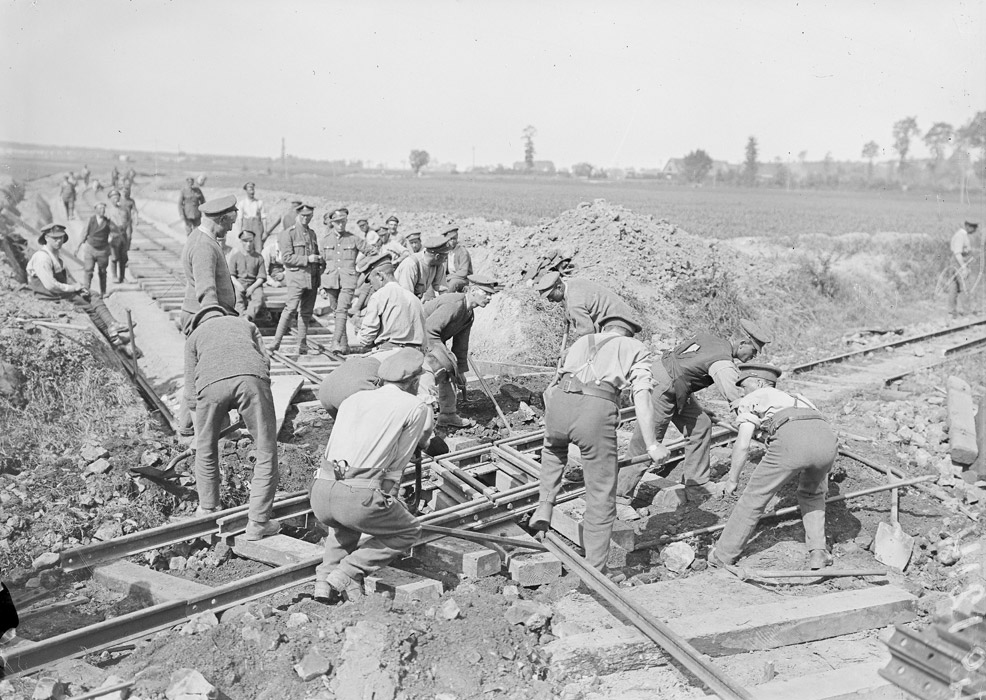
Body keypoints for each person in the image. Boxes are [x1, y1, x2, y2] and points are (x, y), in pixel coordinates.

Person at [529, 318, 666, 570]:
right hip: (595, 409)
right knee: (601, 492)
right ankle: (595, 568)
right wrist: (652, 445)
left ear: (604, 329)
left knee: (554, 450)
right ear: (630, 333)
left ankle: (544, 506)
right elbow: (643, 397)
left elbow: (559, 377)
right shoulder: (635, 348)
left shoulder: (583, 340)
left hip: (560, 402)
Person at [310, 348, 434, 602]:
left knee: (344, 526)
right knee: (408, 530)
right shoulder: (415, 406)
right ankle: (348, 571)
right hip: (358, 498)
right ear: (413, 381)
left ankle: (324, 581)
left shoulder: (353, 400)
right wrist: (391, 499)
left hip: (321, 491)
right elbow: (398, 464)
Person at [616, 320, 771, 503]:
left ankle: (697, 484)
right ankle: (619, 497)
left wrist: (695, 406)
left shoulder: (708, 339)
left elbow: (684, 367)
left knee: (701, 424)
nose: (754, 356)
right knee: (646, 443)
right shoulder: (723, 362)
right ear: (743, 342)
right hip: (662, 388)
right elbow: (737, 400)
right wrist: (757, 427)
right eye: (753, 350)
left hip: (672, 384)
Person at [709, 363, 836, 570]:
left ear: (759, 383)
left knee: (754, 498)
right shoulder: (798, 397)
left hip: (792, 441)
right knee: (813, 494)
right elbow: (808, 424)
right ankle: (819, 552)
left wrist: (732, 479)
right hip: (826, 439)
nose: (743, 392)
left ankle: (722, 556)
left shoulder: (753, 398)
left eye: (745, 387)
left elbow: (742, 445)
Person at [180, 305, 280, 541]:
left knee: (206, 449)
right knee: (266, 449)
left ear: (197, 322)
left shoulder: (193, 337)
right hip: (251, 381)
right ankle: (258, 523)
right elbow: (265, 363)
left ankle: (207, 510)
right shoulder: (246, 324)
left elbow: (191, 394)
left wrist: (195, 431)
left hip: (210, 388)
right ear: (224, 313)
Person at [27, 224, 130, 345]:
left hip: (58, 290)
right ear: (46, 238)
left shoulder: (55, 254)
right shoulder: (42, 258)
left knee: (92, 294)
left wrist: (79, 287)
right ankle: (112, 338)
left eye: (61, 238)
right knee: (86, 305)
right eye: (55, 238)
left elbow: (65, 277)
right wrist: (73, 288)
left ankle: (112, 325)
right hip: (48, 294)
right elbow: (51, 285)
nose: (59, 241)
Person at [424, 275, 501, 427]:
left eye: (491, 294)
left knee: (451, 369)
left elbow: (460, 346)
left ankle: (448, 415)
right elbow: (428, 331)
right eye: (487, 293)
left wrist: (460, 371)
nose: (490, 298)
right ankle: (423, 420)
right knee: (438, 370)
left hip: (431, 340)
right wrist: (448, 362)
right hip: (416, 339)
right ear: (473, 291)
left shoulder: (469, 314)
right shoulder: (454, 304)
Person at [180, 195, 239, 333]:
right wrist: (215, 328)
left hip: (208, 315)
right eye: (231, 223)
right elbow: (207, 292)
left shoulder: (203, 239)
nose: (230, 229)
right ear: (222, 219)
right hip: (205, 318)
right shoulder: (203, 246)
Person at [269, 204, 322, 355]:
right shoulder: (289, 233)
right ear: (298, 215)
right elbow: (286, 258)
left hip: (311, 279)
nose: (306, 219)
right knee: (290, 309)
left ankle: (302, 345)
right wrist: (308, 259)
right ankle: (276, 342)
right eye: (303, 216)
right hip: (297, 278)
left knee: (305, 313)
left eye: (309, 216)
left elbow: (315, 254)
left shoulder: (312, 234)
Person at [354, 253, 428, 352]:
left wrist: (359, 333)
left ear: (380, 276)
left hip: (390, 352)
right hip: (416, 353)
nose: (371, 286)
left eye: (371, 281)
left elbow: (366, 339)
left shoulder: (378, 296)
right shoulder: (413, 298)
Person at [535, 272, 641, 340]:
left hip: (615, 327)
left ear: (559, 287)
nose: (549, 300)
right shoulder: (575, 283)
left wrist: (572, 351)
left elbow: (588, 334)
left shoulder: (574, 304)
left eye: (550, 295)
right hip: (625, 321)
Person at [320, 207, 369, 352]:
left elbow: (372, 252)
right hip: (330, 281)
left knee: (341, 310)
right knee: (336, 312)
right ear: (332, 223)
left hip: (348, 280)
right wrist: (321, 286)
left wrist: (362, 267)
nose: (341, 224)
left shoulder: (353, 239)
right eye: (337, 222)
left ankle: (335, 342)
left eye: (343, 221)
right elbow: (321, 264)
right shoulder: (324, 241)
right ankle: (344, 345)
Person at [395, 230, 452, 299]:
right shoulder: (411, 264)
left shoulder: (438, 265)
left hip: (414, 299)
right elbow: (406, 296)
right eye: (445, 257)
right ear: (437, 256)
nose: (446, 260)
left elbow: (442, 289)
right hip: (398, 300)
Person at [228, 230, 268, 323]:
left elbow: (261, 277)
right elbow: (231, 275)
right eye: (245, 241)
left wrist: (252, 288)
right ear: (241, 242)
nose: (248, 244)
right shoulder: (235, 257)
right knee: (236, 297)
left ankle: (248, 317)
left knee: (258, 298)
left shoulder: (258, 257)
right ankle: (241, 317)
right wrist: (238, 285)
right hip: (240, 283)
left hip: (254, 284)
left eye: (250, 241)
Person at [76, 202, 113, 296]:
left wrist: (111, 243)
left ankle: (103, 292)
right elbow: (84, 233)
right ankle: (86, 290)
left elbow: (114, 234)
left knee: (103, 271)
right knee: (88, 270)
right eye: (100, 208)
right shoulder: (90, 220)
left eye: (104, 208)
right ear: (95, 209)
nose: (102, 210)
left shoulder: (108, 222)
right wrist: (78, 246)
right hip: (90, 249)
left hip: (103, 250)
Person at [948, 221, 979, 317]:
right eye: (974, 227)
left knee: (954, 287)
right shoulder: (960, 236)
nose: (975, 230)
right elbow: (958, 253)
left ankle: (952, 311)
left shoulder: (962, 235)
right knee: (964, 287)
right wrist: (964, 267)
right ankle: (967, 312)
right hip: (959, 263)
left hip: (955, 263)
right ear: (968, 226)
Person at [106, 189, 132, 284]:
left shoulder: (124, 209)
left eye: (117, 197)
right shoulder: (107, 211)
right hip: (113, 236)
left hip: (123, 236)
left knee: (123, 257)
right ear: (110, 199)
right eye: (113, 198)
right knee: (114, 257)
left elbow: (129, 222)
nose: (115, 199)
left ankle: (122, 277)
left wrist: (128, 235)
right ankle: (114, 276)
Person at [235, 181, 268, 253]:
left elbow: (264, 218)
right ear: (246, 191)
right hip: (247, 227)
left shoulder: (259, 203)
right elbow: (240, 219)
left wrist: (265, 231)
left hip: (257, 227)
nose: (252, 192)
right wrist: (240, 232)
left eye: (253, 189)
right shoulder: (242, 203)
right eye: (250, 190)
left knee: (258, 247)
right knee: (247, 246)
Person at [445, 228, 473, 293]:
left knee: (453, 283)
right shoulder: (445, 252)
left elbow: (463, 272)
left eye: (454, 239)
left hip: (464, 279)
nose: (452, 241)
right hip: (450, 277)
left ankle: (446, 301)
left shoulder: (462, 252)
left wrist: (449, 277)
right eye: (450, 239)